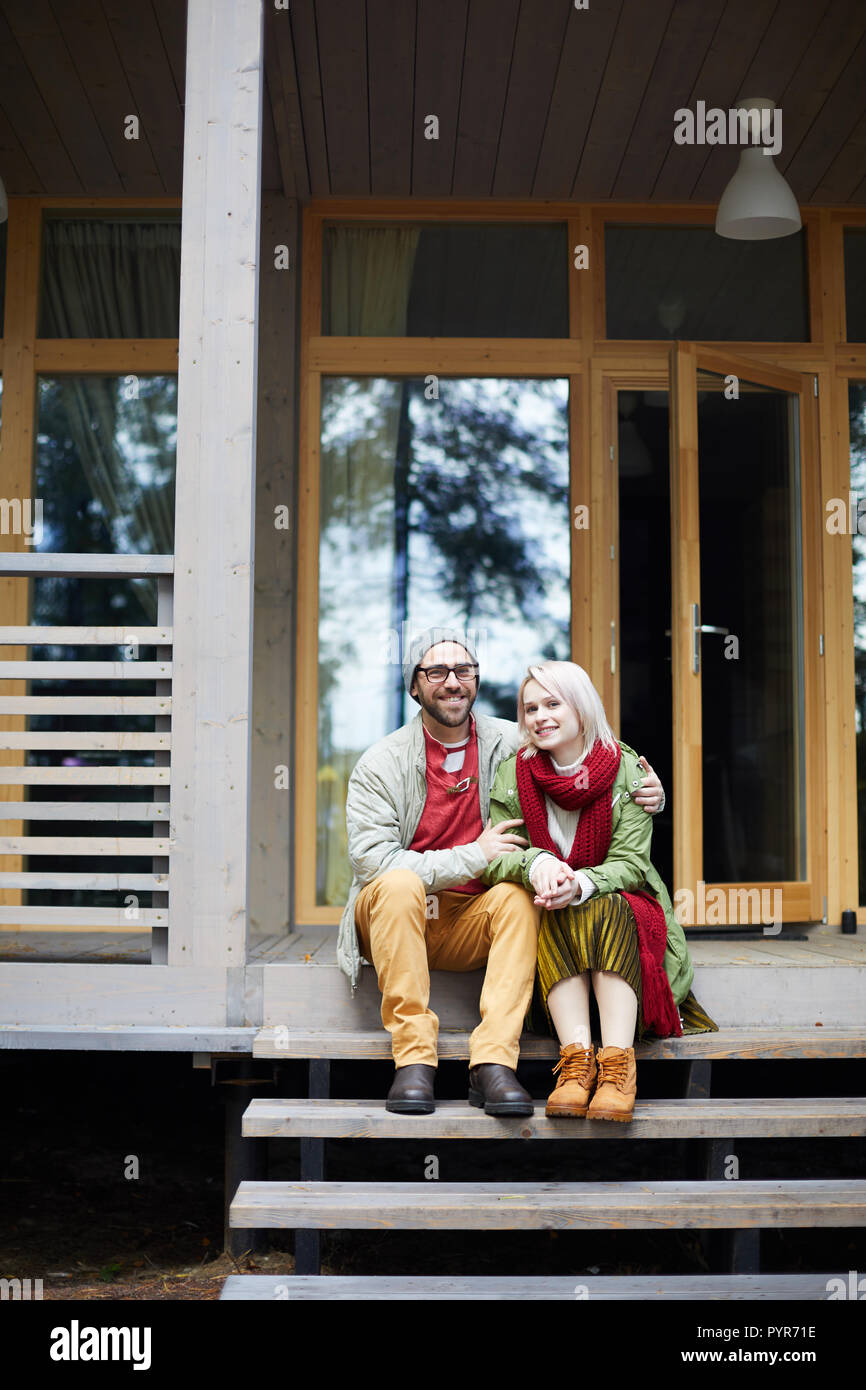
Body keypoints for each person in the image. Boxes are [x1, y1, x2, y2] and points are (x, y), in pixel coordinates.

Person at [337, 627, 666, 1116]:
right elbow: (373, 861)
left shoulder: (510, 741)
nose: (452, 681)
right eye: (436, 672)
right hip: (396, 919)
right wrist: (475, 854)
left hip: (473, 918)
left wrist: (646, 786)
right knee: (401, 883)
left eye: (463, 670)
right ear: (414, 686)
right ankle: (413, 1060)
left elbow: (585, 742)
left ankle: (492, 1062)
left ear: (475, 679)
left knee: (516, 896)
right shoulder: (381, 763)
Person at [482, 660, 716, 1123]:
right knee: (543, 904)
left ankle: (616, 1067)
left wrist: (581, 883)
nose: (540, 717)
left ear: (582, 708)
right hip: (553, 917)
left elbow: (630, 865)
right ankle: (575, 1065)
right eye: (530, 708)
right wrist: (539, 863)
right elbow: (497, 856)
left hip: (622, 908)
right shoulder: (515, 773)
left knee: (600, 904)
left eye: (553, 703)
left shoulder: (627, 770)